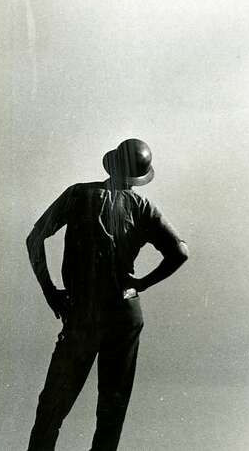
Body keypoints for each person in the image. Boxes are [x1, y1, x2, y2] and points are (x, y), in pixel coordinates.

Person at [25, 138, 189, 451]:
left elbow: (35, 238)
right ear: (138, 177)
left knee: (51, 409)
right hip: (124, 314)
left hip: (84, 313)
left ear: (112, 165)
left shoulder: (79, 194)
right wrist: (141, 283)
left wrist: (49, 292)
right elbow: (180, 250)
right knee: (111, 414)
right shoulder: (143, 208)